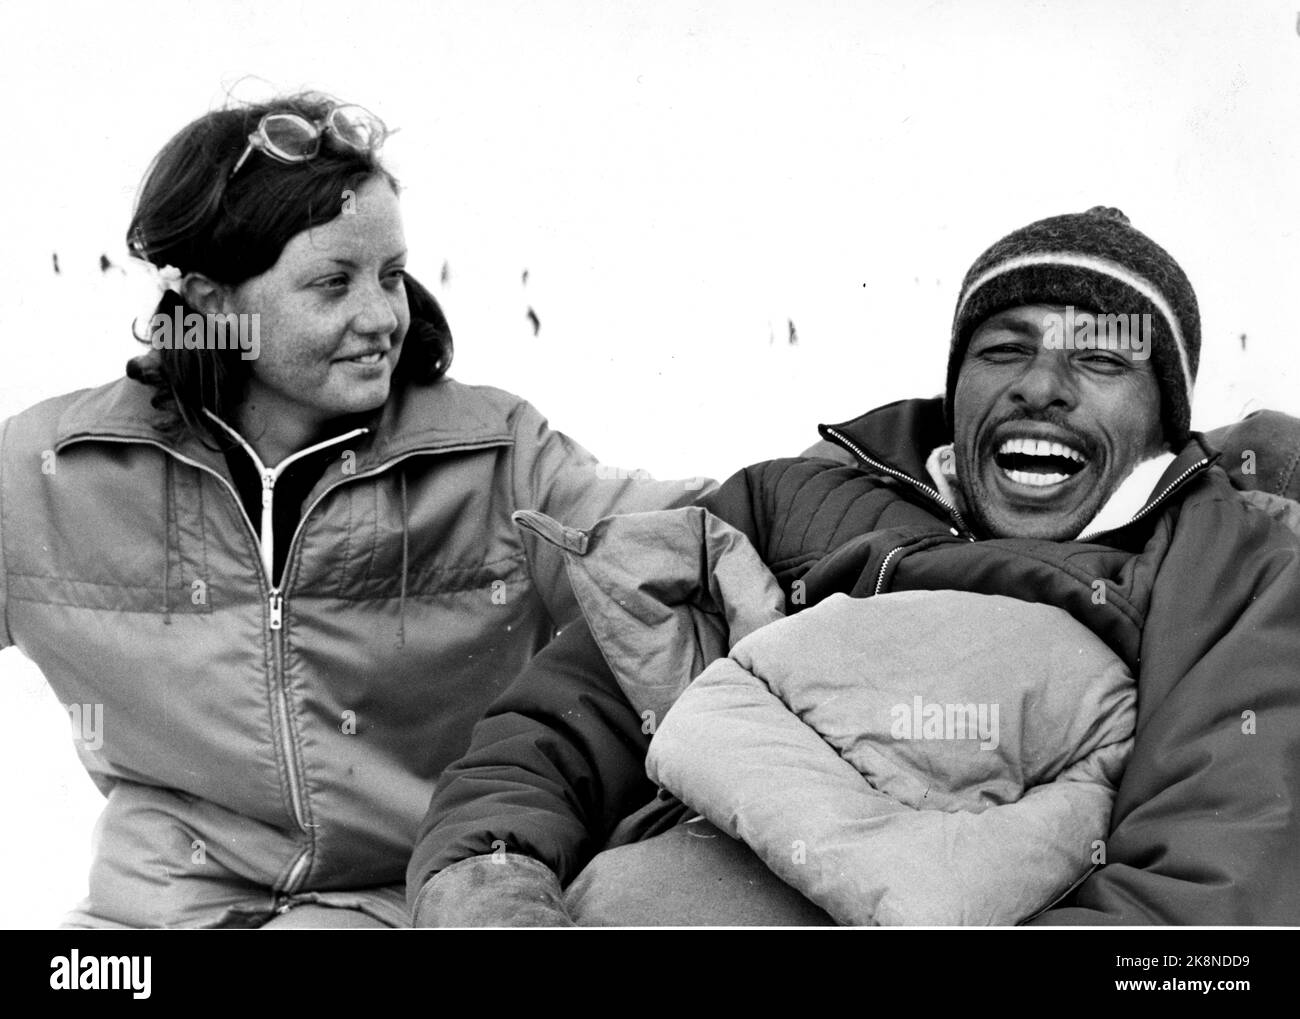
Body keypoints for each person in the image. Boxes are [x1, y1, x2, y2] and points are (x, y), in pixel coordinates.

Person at [407, 206, 1300, 926]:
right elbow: (568, 717)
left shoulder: (1224, 564)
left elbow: (1213, 873)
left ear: (1162, 417)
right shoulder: (793, 502)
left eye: (1101, 358)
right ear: (957, 390)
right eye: (1004, 348)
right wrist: (493, 875)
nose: (1041, 385)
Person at [0, 91, 704, 928]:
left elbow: (669, 535)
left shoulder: (492, 455)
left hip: (409, 899)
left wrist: (852, 481)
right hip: (152, 913)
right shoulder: (55, 467)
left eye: (392, 276)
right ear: (209, 300)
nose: (381, 317)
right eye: (333, 283)